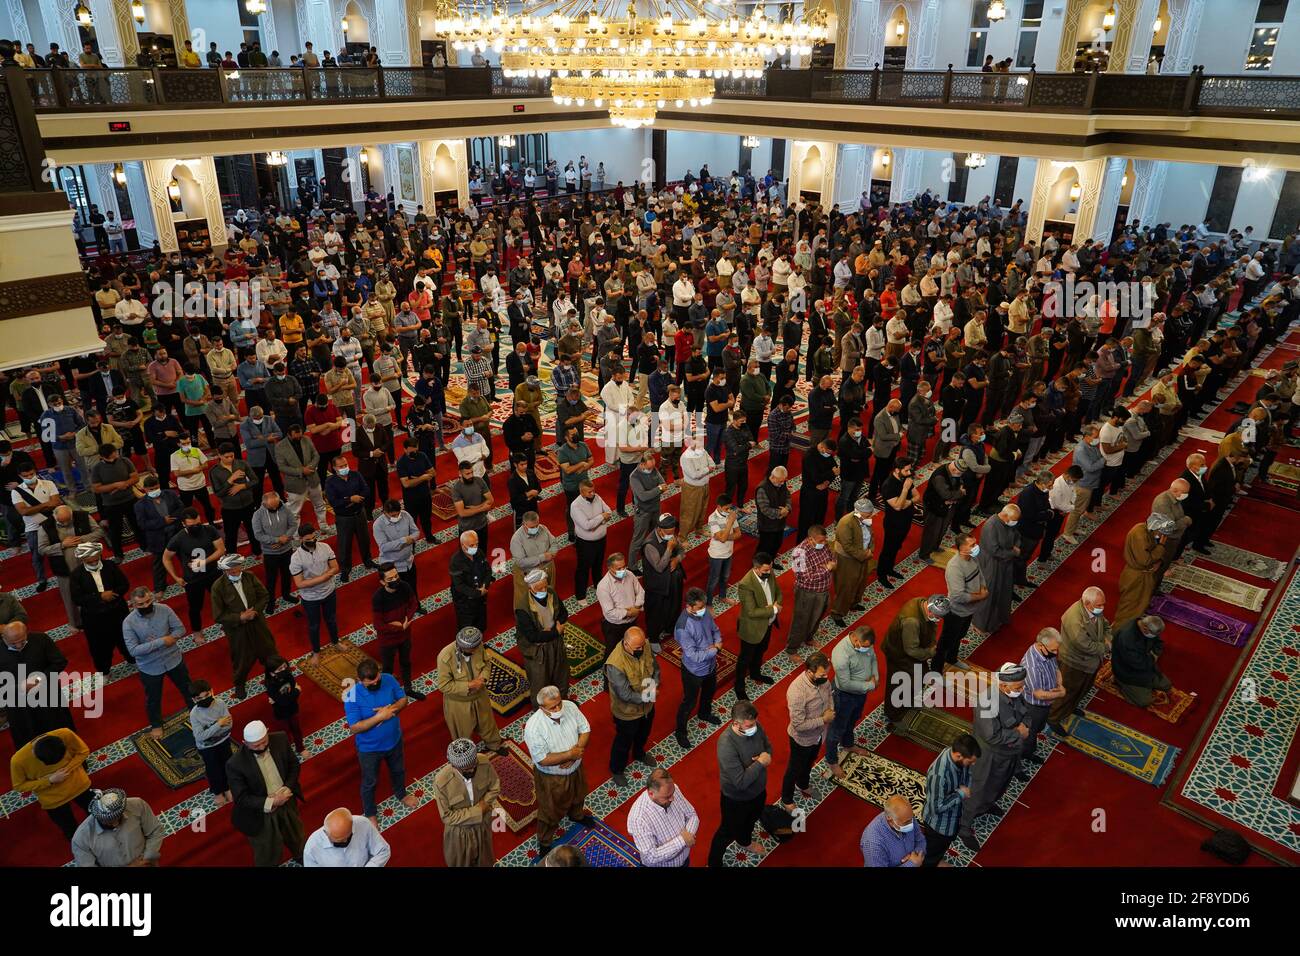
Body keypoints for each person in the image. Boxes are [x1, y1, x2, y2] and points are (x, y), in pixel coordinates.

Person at [957, 662, 1030, 851]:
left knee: (1000, 784)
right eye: (1017, 687)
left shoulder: (1015, 693)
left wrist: (1025, 727)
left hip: (1010, 753)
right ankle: (964, 827)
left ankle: (987, 805)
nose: (1021, 690)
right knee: (978, 791)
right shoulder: (988, 701)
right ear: (1003, 685)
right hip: (989, 756)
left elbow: (1025, 713)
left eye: (1022, 686)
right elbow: (992, 735)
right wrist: (1019, 733)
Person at [344, 659, 420, 826]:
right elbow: (355, 727)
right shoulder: (352, 696)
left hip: (394, 739)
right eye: (371, 683)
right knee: (370, 782)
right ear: (359, 680)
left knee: (398, 770)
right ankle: (370, 812)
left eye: (377, 680)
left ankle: (401, 794)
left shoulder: (388, 678)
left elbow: (403, 700)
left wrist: (390, 710)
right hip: (369, 749)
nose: (376, 684)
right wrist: (379, 717)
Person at [523, 685, 596, 855]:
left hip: (575, 767)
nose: (557, 709)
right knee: (550, 811)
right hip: (552, 777)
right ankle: (545, 840)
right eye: (552, 707)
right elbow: (542, 758)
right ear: (542, 708)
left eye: (558, 704)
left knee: (579, 795)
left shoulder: (569, 706)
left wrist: (574, 754)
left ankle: (576, 815)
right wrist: (570, 754)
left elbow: (585, 729)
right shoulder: (534, 727)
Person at [225, 719, 306, 866]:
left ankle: (301, 856)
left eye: (264, 742)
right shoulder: (235, 764)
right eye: (256, 745)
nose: (262, 747)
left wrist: (287, 788)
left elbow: (294, 765)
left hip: (287, 801)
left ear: (267, 732)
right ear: (245, 743)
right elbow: (242, 798)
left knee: (296, 835)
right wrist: (271, 802)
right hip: (260, 813)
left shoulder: (280, 739)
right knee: (268, 849)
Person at [707, 700, 772, 867]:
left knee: (751, 820)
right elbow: (740, 782)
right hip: (735, 800)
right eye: (750, 725)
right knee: (726, 832)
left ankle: (744, 841)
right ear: (736, 723)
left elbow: (768, 748)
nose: (754, 727)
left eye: (755, 722)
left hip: (758, 791)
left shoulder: (755, 727)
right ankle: (714, 862)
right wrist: (760, 763)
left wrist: (762, 759)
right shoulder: (726, 744)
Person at [121, 588, 193, 736]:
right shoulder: (128, 623)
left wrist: (168, 639)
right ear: (133, 605)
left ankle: (196, 713)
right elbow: (134, 650)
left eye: (148, 601)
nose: (146, 605)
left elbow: (180, 629)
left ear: (152, 598)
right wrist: (162, 641)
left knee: (188, 689)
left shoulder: (164, 609)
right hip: (150, 667)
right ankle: (156, 724)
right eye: (140, 604)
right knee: (153, 699)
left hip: (173, 659)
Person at [210, 554, 279, 699]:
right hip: (237, 630)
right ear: (224, 570)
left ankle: (272, 677)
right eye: (230, 569)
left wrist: (254, 611)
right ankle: (239, 683)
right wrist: (240, 617)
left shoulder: (250, 577)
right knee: (241, 659)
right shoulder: (218, 587)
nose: (234, 571)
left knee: (269, 651)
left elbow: (264, 595)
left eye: (236, 567)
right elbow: (218, 616)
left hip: (257, 623)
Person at [9, 728, 92, 839]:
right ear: (34, 753)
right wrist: (49, 781)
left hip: (79, 785)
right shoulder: (17, 760)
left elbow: (83, 751)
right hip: (53, 800)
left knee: (98, 815)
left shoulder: (65, 734)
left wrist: (67, 769)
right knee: (71, 830)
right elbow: (19, 786)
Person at [1050, 587, 1112, 733]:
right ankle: (1053, 717)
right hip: (1074, 663)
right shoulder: (1074, 619)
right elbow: (1085, 645)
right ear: (1087, 604)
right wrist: (1106, 646)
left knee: (1082, 688)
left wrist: (1108, 638)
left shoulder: (1092, 609)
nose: (1102, 608)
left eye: (1103, 604)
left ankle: (1070, 708)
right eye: (1099, 605)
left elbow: (1105, 625)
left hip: (1089, 661)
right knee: (1067, 692)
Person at [431, 738, 502, 867]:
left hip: (483, 824)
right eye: (467, 769)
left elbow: (495, 786)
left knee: (485, 861)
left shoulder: (483, 762)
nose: (472, 770)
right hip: (460, 832)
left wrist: (485, 804)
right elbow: (447, 816)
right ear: (454, 766)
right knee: (461, 862)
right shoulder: (441, 782)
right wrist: (478, 811)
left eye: (474, 765)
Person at [605, 626, 660, 786]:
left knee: (644, 733)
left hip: (647, 706)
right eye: (637, 647)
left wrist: (654, 684)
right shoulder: (615, 664)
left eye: (643, 645)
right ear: (626, 644)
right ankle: (617, 769)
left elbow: (655, 669)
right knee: (623, 742)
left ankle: (639, 753)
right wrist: (648, 696)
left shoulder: (644, 645)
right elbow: (625, 695)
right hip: (627, 712)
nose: (642, 649)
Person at [882, 595, 949, 724]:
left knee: (917, 678)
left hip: (911, 649)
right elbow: (911, 650)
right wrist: (930, 652)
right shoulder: (912, 621)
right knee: (899, 683)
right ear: (930, 610)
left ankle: (906, 703)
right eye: (938, 617)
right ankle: (893, 714)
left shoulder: (922, 602)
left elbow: (929, 627)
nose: (938, 620)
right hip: (899, 654)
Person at [67, 542, 132, 675]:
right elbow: (77, 598)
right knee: (99, 648)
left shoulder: (110, 566)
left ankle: (133, 660)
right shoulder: (76, 575)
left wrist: (112, 594)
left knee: (126, 639)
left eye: (96, 559)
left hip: (118, 612)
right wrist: (100, 597)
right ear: (83, 560)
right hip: (94, 618)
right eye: (90, 561)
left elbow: (124, 585)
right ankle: (104, 671)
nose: (94, 563)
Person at [436, 626, 503, 753]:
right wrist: (469, 685)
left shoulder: (477, 645)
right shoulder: (445, 656)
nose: (475, 651)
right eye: (472, 649)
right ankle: (466, 755)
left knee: (487, 724)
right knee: (462, 732)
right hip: (459, 703)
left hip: (480, 695)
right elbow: (444, 685)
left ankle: (494, 745)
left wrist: (483, 679)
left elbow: (487, 663)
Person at [781, 652, 833, 812]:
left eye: (827, 672)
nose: (826, 676)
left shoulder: (823, 680)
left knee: (810, 761)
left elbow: (829, 696)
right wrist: (823, 720)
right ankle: (786, 798)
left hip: (818, 735)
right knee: (795, 768)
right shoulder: (797, 691)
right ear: (810, 672)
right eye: (822, 674)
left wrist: (831, 709)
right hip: (802, 739)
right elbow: (798, 724)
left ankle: (803, 784)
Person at [672, 588, 724, 748]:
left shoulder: (704, 612)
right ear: (689, 606)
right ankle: (680, 732)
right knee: (689, 702)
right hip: (694, 671)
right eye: (699, 608)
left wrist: (718, 640)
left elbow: (715, 630)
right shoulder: (683, 627)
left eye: (704, 606)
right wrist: (716, 649)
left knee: (709, 692)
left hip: (710, 665)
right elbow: (694, 655)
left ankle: (704, 713)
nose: (703, 610)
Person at [824, 625, 877, 779]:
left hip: (860, 693)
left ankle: (847, 745)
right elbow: (845, 683)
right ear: (855, 639)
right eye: (864, 647)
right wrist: (870, 685)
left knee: (853, 719)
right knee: (837, 729)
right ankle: (832, 760)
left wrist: (876, 676)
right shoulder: (840, 654)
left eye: (869, 647)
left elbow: (873, 658)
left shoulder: (866, 645)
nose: (867, 649)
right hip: (844, 695)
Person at [920, 735, 980, 866]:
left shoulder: (955, 755)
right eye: (970, 762)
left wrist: (966, 786)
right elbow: (935, 808)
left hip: (952, 819)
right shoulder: (939, 775)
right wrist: (960, 794)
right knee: (931, 854)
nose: (973, 764)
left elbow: (967, 773)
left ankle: (935, 860)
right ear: (959, 756)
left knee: (939, 851)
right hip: (938, 827)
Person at [71, 788, 164, 867]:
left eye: (118, 818)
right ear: (97, 817)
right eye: (109, 822)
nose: (115, 824)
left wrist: (147, 858)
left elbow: (155, 831)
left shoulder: (137, 805)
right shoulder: (81, 838)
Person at [371, 563, 425, 701]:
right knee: (387, 669)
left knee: (405, 662)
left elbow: (413, 604)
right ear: (382, 582)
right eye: (390, 579)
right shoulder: (378, 597)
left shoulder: (405, 586)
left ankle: (408, 688)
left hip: (405, 635)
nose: (395, 580)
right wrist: (398, 627)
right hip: (387, 639)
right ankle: (387, 695)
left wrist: (407, 618)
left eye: (396, 576)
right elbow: (378, 624)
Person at [627, 768, 700, 867]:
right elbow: (651, 856)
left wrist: (688, 836)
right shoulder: (639, 818)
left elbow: (692, 815)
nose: (672, 798)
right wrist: (682, 840)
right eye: (666, 797)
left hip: (684, 860)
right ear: (651, 793)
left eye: (673, 793)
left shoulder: (672, 790)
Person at [516, 567, 570, 696]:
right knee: (540, 681)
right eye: (539, 589)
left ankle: (562, 701)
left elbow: (563, 613)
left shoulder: (551, 593)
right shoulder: (522, 607)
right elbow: (532, 636)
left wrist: (554, 629)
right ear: (531, 589)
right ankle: (541, 711)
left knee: (560, 675)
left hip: (555, 642)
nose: (544, 590)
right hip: (537, 650)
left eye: (545, 586)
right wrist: (554, 632)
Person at [735, 552, 781, 700]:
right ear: (756, 568)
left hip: (767, 624)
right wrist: (773, 609)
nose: (769, 572)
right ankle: (739, 686)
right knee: (745, 659)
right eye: (766, 570)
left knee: (761, 649)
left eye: (770, 569)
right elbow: (751, 611)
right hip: (752, 627)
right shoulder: (746, 584)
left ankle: (755, 673)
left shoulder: (768, 572)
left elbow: (777, 592)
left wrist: (777, 603)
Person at [938, 534, 987, 671]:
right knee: (945, 643)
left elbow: (979, 574)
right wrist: (980, 596)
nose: (976, 547)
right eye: (972, 545)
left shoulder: (972, 558)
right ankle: (936, 669)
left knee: (959, 636)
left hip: (968, 610)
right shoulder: (955, 567)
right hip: (956, 612)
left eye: (975, 543)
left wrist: (983, 587)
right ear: (962, 548)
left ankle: (952, 658)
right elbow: (958, 596)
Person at [784, 526, 836, 656]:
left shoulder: (824, 544)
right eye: (820, 541)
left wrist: (825, 567)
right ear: (810, 539)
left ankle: (808, 638)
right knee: (801, 620)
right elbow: (806, 578)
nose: (824, 543)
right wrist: (826, 568)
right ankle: (792, 649)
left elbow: (833, 560)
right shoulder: (798, 553)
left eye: (825, 540)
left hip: (824, 590)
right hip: (806, 593)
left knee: (817, 617)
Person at [1114, 514, 1174, 627]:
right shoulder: (1139, 534)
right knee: (1128, 610)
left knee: (1139, 606)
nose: (1161, 535)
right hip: (1136, 577)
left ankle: (1128, 631)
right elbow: (1145, 560)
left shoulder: (1146, 530)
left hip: (1142, 575)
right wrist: (1161, 546)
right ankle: (1118, 635)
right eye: (1160, 532)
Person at [324, 454, 376, 580]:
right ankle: (345, 569)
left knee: (364, 539)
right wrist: (350, 499)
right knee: (344, 544)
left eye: (345, 465)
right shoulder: (330, 482)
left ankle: (368, 560)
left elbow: (366, 490)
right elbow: (333, 501)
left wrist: (356, 499)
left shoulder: (356, 475)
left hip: (359, 514)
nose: (344, 467)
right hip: (344, 518)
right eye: (341, 466)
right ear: (334, 468)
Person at [971, 504, 1020, 635]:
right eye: (1013, 520)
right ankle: (979, 623)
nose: (1015, 523)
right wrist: (1013, 552)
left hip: (1005, 564)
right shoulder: (990, 526)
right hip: (991, 565)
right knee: (988, 594)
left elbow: (1016, 536)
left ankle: (996, 619)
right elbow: (994, 551)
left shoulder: (1007, 522)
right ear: (1005, 516)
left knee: (1002, 591)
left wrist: (1015, 547)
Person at [1019, 627, 1065, 764]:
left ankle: (1028, 750)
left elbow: (1055, 668)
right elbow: (1039, 694)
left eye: (1057, 649)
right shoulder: (1031, 666)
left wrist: (1059, 683)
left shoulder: (1046, 651)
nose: (1056, 653)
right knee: (1028, 735)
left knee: (1036, 729)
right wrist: (1060, 693)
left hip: (1045, 704)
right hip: (1033, 707)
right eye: (1053, 651)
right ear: (1040, 645)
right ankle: (1020, 759)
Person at [642, 513, 686, 648]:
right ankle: (653, 639)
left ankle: (668, 629)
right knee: (656, 612)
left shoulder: (671, 536)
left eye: (673, 532)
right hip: (657, 585)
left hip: (673, 581)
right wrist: (669, 549)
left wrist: (677, 559)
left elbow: (682, 551)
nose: (671, 535)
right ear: (659, 529)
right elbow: (659, 567)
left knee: (673, 607)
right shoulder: (649, 544)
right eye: (668, 533)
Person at [188, 679, 234, 807]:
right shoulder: (194, 714)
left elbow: (229, 726)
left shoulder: (220, 703)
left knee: (227, 764)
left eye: (207, 695)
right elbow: (200, 736)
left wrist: (210, 730)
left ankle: (227, 788)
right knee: (213, 770)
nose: (204, 699)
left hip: (224, 741)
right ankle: (218, 791)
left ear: (212, 691)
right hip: (207, 748)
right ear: (194, 700)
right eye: (199, 698)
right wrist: (218, 724)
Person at [253, 490, 301, 611]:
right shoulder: (258, 515)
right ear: (264, 504)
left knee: (287, 574)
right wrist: (276, 540)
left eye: (276, 505)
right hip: (270, 553)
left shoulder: (284, 507)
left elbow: (293, 524)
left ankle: (286, 594)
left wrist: (284, 539)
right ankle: (270, 601)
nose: (275, 508)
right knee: (271, 578)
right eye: (271, 506)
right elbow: (258, 535)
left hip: (286, 550)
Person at [1110, 615, 1172, 707]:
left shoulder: (1148, 625)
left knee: (1167, 685)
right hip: (1128, 671)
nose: (1154, 636)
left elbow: (1158, 643)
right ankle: (1119, 682)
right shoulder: (1127, 638)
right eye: (1153, 634)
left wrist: (1155, 653)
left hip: (1146, 664)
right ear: (1145, 629)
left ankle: (1143, 685)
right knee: (1144, 701)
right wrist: (1153, 658)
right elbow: (1137, 663)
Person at [302, 808, 392, 867]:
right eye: (339, 840)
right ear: (326, 833)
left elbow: (383, 850)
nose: (345, 842)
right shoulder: (311, 848)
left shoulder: (363, 824)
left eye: (348, 837)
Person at [595, 551, 643, 657]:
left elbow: (640, 591)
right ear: (610, 568)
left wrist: (637, 607)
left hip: (632, 621)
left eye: (624, 567)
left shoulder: (629, 574)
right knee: (613, 653)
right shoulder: (603, 586)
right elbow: (610, 612)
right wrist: (630, 612)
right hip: (614, 626)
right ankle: (609, 672)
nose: (623, 571)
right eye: (619, 569)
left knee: (632, 649)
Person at [509, 511, 559, 609]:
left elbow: (554, 543)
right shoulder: (516, 539)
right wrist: (542, 557)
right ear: (524, 525)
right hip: (529, 574)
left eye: (537, 525)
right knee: (526, 602)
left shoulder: (543, 528)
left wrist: (552, 553)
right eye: (532, 527)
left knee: (548, 594)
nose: (535, 529)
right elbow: (520, 562)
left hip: (547, 568)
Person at [861, 795, 926, 867]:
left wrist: (915, 855)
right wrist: (912, 864)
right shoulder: (873, 844)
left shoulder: (907, 816)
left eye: (912, 818)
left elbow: (921, 840)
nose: (911, 823)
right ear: (890, 820)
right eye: (906, 822)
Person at [450, 530, 491, 633]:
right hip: (465, 602)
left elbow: (487, 570)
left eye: (476, 544)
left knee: (481, 625)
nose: (475, 547)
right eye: (471, 545)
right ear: (463, 545)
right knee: (467, 629)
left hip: (481, 598)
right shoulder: (456, 561)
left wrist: (485, 586)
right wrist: (477, 593)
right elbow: (459, 585)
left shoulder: (479, 553)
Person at [753, 467, 792, 563]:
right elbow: (765, 510)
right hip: (767, 525)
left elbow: (787, 496)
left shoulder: (781, 483)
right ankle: (758, 567)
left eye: (783, 481)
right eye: (780, 481)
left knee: (776, 544)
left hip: (780, 523)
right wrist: (780, 513)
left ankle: (770, 562)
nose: (782, 483)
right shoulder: (762, 489)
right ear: (773, 477)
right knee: (764, 548)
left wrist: (787, 508)